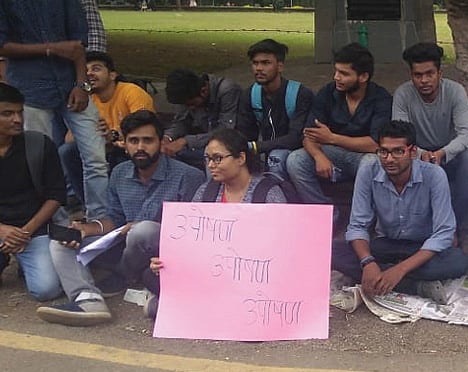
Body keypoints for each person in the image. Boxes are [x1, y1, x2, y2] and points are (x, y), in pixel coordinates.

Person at [37, 110, 205, 326]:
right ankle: (88, 300)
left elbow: (196, 233)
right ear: (124, 144)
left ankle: (125, 277)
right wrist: (86, 229)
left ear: (161, 142)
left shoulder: (189, 176)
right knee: (61, 242)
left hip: (161, 256)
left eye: (148, 140)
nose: (140, 147)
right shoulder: (119, 173)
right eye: (133, 141)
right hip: (122, 246)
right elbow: (114, 219)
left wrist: (141, 227)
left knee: (143, 230)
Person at [145, 128, 287, 318]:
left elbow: (284, 245)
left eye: (218, 158)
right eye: (208, 159)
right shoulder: (206, 192)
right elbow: (189, 242)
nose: (211, 165)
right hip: (212, 276)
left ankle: (179, 306)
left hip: (254, 279)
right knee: (150, 274)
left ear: (241, 158)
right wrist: (168, 262)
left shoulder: (268, 192)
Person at [0, 0, 111, 221]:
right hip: (30, 89)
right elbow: (2, 45)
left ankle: (100, 221)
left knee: (96, 157)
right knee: (39, 162)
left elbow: (78, 45)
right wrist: (51, 49)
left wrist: (82, 85)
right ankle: (56, 224)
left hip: (71, 84)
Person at [332, 120, 468, 305]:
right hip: (386, 245)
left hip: (421, 248)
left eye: (398, 151)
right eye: (383, 151)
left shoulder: (434, 175)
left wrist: (400, 270)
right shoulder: (368, 172)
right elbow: (357, 225)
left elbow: (444, 233)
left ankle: (384, 277)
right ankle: (416, 286)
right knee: (333, 251)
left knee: (458, 261)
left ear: (412, 152)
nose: (389, 159)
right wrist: (367, 262)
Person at [286, 42, 392, 204]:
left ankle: (361, 217)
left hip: (363, 157)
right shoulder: (328, 92)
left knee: (372, 162)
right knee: (295, 160)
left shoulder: (381, 98)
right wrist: (318, 155)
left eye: (344, 73)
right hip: (331, 153)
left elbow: (377, 144)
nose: (336, 77)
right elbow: (309, 135)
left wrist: (332, 138)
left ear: (363, 77)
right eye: (336, 71)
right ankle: (324, 211)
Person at [392, 43, 468, 223]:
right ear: (411, 75)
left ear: (439, 73)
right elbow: (400, 136)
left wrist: (442, 153)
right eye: (418, 75)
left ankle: (455, 221)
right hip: (416, 153)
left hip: (449, 152)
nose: (424, 80)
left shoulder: (455, 91)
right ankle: (411, 221)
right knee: (397, 155)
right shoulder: (402, 94)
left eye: (429, 74)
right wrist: (422, 153)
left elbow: (466, 134)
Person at [60, 52, 155, 205]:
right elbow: (69, 138)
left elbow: (144, 128)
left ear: (112, 75)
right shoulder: (87, 99)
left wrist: (112, 135)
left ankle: (118, 207)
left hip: (129, 150)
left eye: (96, 69)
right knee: (67, 151)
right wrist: (93, 134)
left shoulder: (131, 92)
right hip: (103, 149)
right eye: (86, 71)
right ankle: (89, 206)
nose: (90, 73)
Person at [0, 83, 63, 301]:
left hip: (32, 230)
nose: (17, 119)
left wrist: (24, 232)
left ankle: (25, 262)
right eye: (7, 114)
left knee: (47, 289)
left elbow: (56, 195)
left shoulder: (38, 144)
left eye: (20, 112)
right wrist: (2, 230)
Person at [237, 39, 312, 180]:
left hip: (296, 154)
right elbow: (245, 132)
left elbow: (296, 138)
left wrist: (256, 147)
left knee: (276, 158)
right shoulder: (250, 95)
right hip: (264, 151)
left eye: (266, 63)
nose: (259, 68)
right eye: (255, 63)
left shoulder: (300, 94)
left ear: (280, 66)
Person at [163, 69, 242, 170]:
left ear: (203, 91)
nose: (191, 109)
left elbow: (226, 131)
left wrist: (185, 141)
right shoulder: (188, 96)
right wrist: (167, 137)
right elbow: (181, 122)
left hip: (230, 148)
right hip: (204, 144)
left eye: (192, 104)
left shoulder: (227, 90)